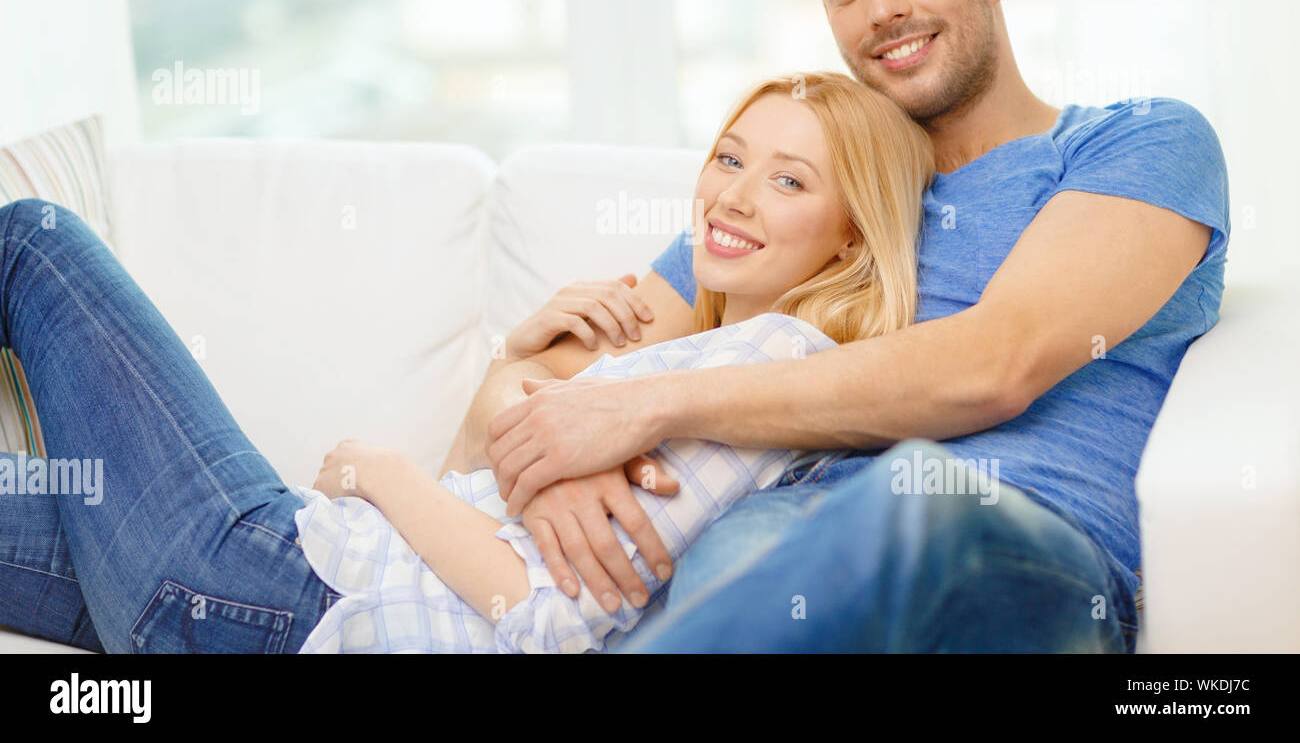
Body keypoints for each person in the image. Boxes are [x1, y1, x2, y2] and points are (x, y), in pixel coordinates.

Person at [470, 0, 1230, 652]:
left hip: (1008, 540)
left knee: (910, 502)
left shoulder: (1137, 142)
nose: (881, 10)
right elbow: (531, 379)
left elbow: (995, 364)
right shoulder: (803, 194)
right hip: (784, 527)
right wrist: (543, 474)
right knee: (754, 555)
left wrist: (642, 406)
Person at [0, 70, 932, 653]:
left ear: (853, 239)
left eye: (788, 180)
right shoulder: (702, 351)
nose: (733, 197)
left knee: (34, 238)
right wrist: (508, 376)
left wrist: (382, 472)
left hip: (271, 587)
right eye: (730, 158)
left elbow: (553, 623)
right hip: (282, 597)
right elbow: (477, 548)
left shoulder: (781, 362)